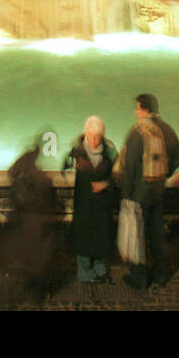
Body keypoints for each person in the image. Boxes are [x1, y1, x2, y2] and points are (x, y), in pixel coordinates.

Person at [113, 93, 179, 290]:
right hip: (158, 191)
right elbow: (177, 158)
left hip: (138, 194)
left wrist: (126, 196)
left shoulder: (138, 132)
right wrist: (164, 175)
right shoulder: (166, 129)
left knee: (137, 237)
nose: (135, 111)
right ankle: (160, 275)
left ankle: (139, 278)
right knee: (157, 234)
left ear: (143, 109)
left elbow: (129, 166)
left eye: (137, 107)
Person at [65, 116, 117, 284]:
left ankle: (99, 270)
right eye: (91, 136)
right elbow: (64, 165)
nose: (94, 141)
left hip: (102, 205)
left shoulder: (110, 151)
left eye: (98, 137)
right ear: (86, 133)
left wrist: (106, 184)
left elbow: (116, 176)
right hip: (84, 205)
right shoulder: (77, 151)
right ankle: (85, 273)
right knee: (84, 239)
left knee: (100, 238)